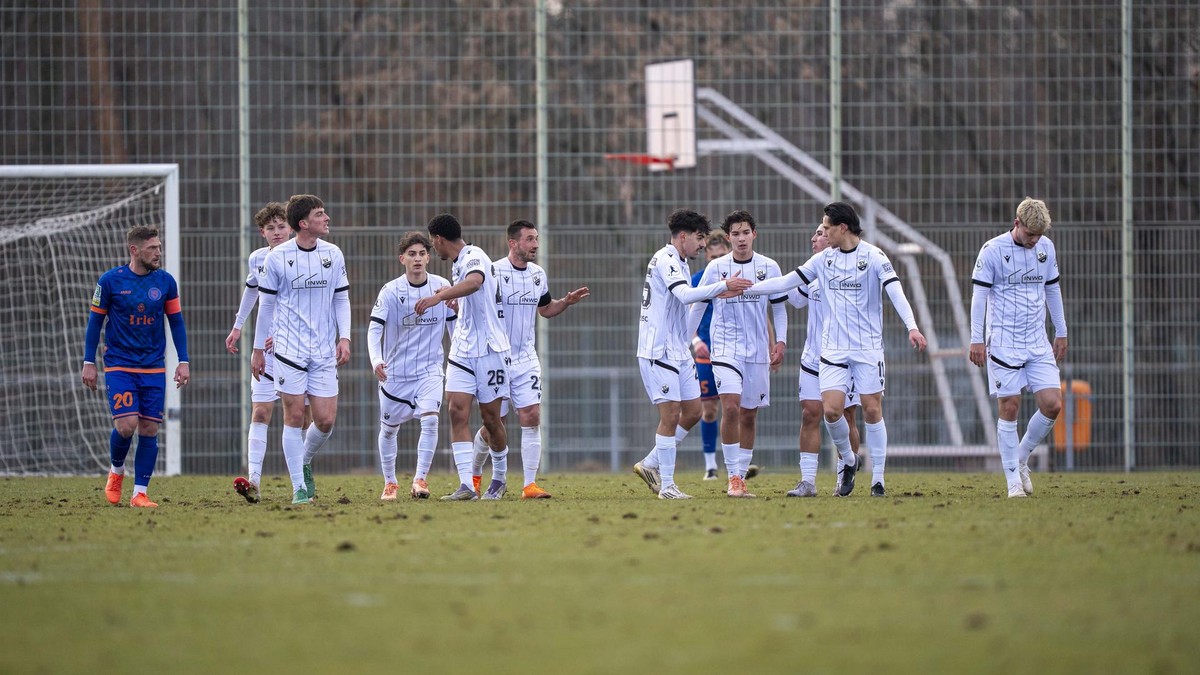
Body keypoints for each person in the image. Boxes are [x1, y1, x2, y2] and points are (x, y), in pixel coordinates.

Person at [746, 202, 926, 497]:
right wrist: (745, 288)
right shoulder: (823, 260)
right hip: (833, 351)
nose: (822, 232)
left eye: (826, 227)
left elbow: (896, 292)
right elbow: (788, 282)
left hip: (867, 349)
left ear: (843, 228)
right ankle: (851, 460)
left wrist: (912, 326)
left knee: (871, 410)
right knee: (830, 411)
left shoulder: (874, 256)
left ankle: (878, 480)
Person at [633, 208, 752, 500]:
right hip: (658, 349)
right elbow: (685, 295)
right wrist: (723, 285)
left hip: (677, 349)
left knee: (695, 411)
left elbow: (685, 299)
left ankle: (650, 463)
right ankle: (668, 486)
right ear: (683, 236)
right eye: (699, 239)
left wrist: (716, 292)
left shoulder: (681, 261)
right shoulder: (666, 259)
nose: (702, 244)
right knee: (671, 414)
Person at [469, 220, 590, 499]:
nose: (536, 244)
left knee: (531, 416)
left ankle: (529, 484)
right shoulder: (493, 272)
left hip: (526, 358)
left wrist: (565, 302)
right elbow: (471, 300)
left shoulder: (538, 274)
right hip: (496, 358)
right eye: (530, 239)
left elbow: (545, 309)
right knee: (492, 426)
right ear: (513, 243)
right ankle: (474, 476)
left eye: (536, 239)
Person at [250, 195, 350, 505]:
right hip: (288, 351)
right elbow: (265, 306)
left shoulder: (333, 254)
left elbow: (341, 299)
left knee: (325, 420)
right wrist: (257, 349)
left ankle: (304, 460)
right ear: (303, 224)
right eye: (320, 214)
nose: (326, 218)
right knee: (293, 416)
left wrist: (344, 337)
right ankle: (298, 488)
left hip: (322, 352)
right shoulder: (277, 258)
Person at [83, 225, 190, 508]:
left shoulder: (166, 282)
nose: (158, 252)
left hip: (153, 366)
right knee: (127, 425)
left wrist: (183, 361)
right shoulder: (109, 281)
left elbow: (176, 322)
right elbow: (95, 322)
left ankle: (139, 493)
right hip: (120, 365)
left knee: (149, 430)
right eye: (152, 248)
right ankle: (117, 470)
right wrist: (88, 362)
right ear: (135, 250)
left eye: (159, 246)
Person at [969, 197, 1067, 498]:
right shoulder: (993, 250)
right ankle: (1013, 482)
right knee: (1009, 407)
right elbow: (979, 297)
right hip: (1003, 342)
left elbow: (1052, 289)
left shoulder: (1045, 249)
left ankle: (1021, 457)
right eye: (1029, 234)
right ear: (1017, 223)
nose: (1034, 240)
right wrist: (976, 338)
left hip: (1037, 341)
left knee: (1053, 404)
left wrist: (1061, 331)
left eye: (1039, 235)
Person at [687, 210, 788, 498]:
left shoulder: (769, 267)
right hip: (725, 348)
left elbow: (778, 307)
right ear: (729, 237)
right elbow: (698, 306)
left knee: (749, 414)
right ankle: (732, 476)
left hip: (756, 351)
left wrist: (779, 342)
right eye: (735, 233)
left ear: (754, 234)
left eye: (746, 232)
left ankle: (741, 476)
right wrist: (687, 341)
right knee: (729, 406)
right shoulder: (716, 268)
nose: (741, 238)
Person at [413, 213, 511, 501]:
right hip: (463, 349)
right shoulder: (458, 265)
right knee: (456, 411)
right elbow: (471, 296)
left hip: (491, 350)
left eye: (432, 243)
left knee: (492, 419)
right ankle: (467, 485)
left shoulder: (474, 255)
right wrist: (457, 304)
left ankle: (500, 478)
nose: (434, 249)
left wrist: (438, 298)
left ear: (440, 239)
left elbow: (476, 282)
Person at [224, 202, 310, 504]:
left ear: (291, 227)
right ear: (262, 233)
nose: (276, 232)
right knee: (261, 411)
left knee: (305, 418)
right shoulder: (258, 259)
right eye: (270, 228)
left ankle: (303, 478)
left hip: (300, 350)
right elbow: (252, 291)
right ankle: (255, 481)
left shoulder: (304, 258)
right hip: (267, 351)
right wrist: (238, 327)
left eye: (281, 226)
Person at [369, 232, 456, 500]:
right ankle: (390, 482)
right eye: (411, 254)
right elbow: (374, 329)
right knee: (389, 430)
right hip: (396, 373)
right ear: (402, 259)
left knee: (430, 421)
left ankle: (420, 480)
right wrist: (376, 360)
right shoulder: (391, 290)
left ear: (429, 257)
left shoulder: (443, 286)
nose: (417, 259)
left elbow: (455, 326)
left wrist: (457, 360)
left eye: (421, 254)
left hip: (430, 371)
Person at [782, 222, 861, 497]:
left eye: (820, 232)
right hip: (813, 358)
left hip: (844, 358)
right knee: (810, 414)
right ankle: (807, 482)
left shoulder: (851, 270)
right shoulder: (813, 272)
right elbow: (791, 296)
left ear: (834, 235)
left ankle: (844, 476)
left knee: (845, 417)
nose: (814, 237)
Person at [690, 232, 728, 480]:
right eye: (713, 256)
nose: (717, 261)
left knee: (738, 408)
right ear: (706, 256)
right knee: (709, 410)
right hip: (705, 353)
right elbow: (684, 313)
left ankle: (738, 464)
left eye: (721, 256)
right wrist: (694, 341)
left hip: (733, 350)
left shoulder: (738, 276)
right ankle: (710, 466)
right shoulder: (696, 280)